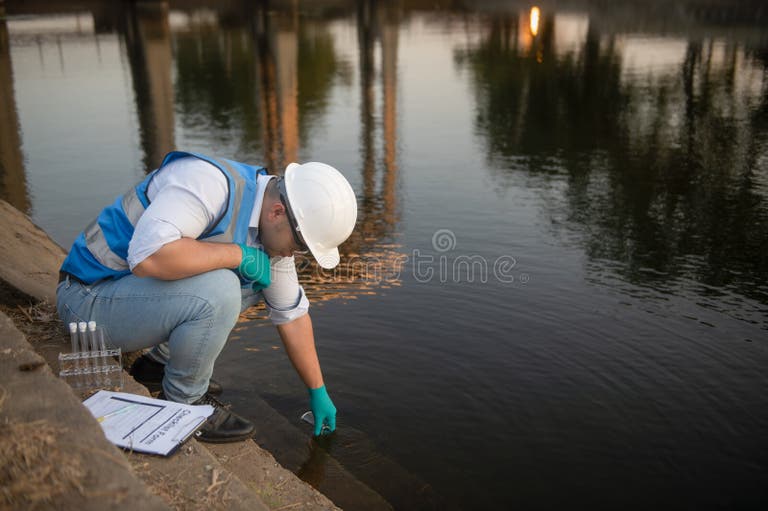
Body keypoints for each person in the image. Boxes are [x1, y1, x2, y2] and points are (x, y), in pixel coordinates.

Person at [56, 151, 357, 442]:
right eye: (300, 244)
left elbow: (292, 315)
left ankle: (156, 366)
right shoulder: (208, 185)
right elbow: (147, 258)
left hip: (126, 298)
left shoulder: (271, 227)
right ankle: (184, 404)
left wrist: (317, 390)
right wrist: (236, 254)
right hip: (86, 300)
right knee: (223, 287)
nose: (296, 254)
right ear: (278, 212)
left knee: (251, 280)